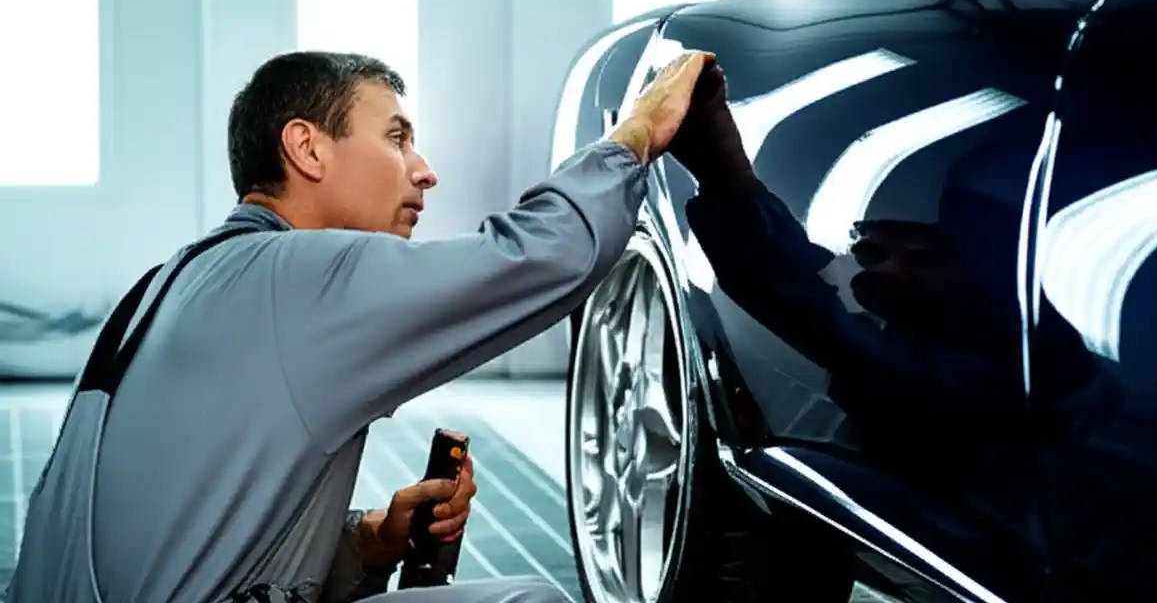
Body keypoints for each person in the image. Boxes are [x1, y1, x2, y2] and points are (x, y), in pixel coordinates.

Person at [8, 48, 715, 603]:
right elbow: (536, 261)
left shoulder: (166, 288)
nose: (424, 171)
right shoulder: (297, 277)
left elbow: (184, 554)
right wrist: (636, 135)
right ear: (308, 149)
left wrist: (371, 542)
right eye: (398, 138)